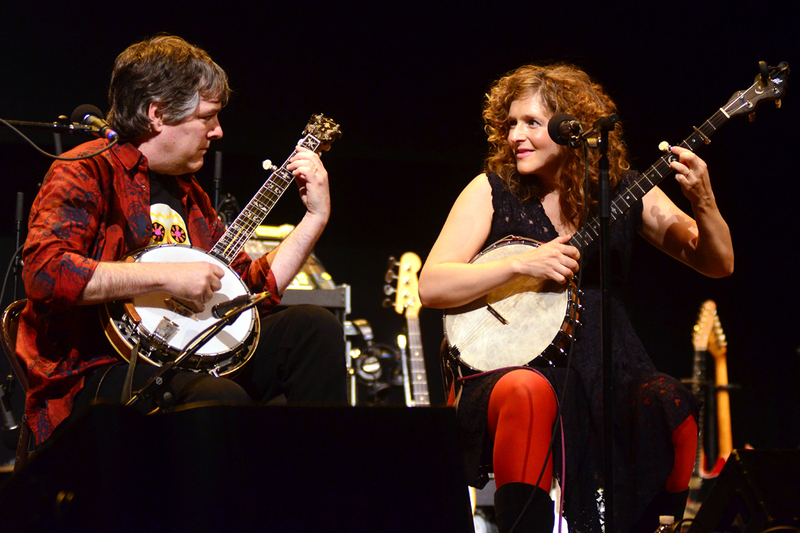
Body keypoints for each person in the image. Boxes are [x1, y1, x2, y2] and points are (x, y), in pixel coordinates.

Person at [418, 63, 733, 533]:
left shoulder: (624, 189)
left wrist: (704, 202)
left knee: (670, 402)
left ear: (572, 128)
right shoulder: (491, 190)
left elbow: (717, 263)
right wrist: (520, 264)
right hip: (511, 369)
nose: (515, 136)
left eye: (531, 122)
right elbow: (431, 286)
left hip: (608, 364)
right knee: (531, 392)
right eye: (509, 124)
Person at [17, 34, 347, 449]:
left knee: (314, 328)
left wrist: (315, 218)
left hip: (190, 354)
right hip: (97, 369)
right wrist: (164, 278)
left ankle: (321, 493)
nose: (219, 132)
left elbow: (247, 289)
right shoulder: (86, 169)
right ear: (157, 114)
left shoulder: (189, 191)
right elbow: (46, 274)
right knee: (216, 400)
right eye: (207, 117)